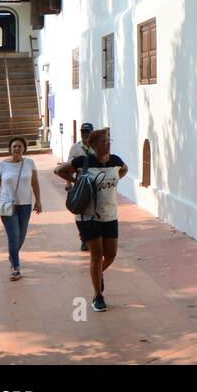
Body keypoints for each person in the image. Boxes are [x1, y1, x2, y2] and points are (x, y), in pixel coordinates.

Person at [55, 127, 126, 313]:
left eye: (109, 140)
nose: (108, 143)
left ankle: (98, 274)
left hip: (110, 214)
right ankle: (98, 296)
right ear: (94, 145)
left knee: (111, 254)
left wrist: (114, 180)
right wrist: (74, 181)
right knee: (96, 254)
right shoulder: (84, 162)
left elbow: (124, 170)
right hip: (88, 216)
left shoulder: (116, 161)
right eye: (104, 141)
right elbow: (58, 170)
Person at [0, 136, 42, 280]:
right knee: (13, 236)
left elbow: (35, 183)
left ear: (24, 149)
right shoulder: (2, 165)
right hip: (7, 206)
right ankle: (16, 268)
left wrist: (38, 201)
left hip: (25, 205)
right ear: (10, 149)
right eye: (14, 146)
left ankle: (12, 255)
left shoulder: (30, 163)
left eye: (19, 146)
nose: (17, 149)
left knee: (21, 237)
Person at [68, 123, 97, 252]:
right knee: (80, 211)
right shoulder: (75, 148)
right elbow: (69, 166)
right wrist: (70, 183)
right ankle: (83, 238)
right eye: (83, 132)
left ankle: (94, 236)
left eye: (87, 132)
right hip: (80, 184)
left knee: (94, 210)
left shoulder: (96, 147)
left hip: (95, 183)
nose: (85, 134)